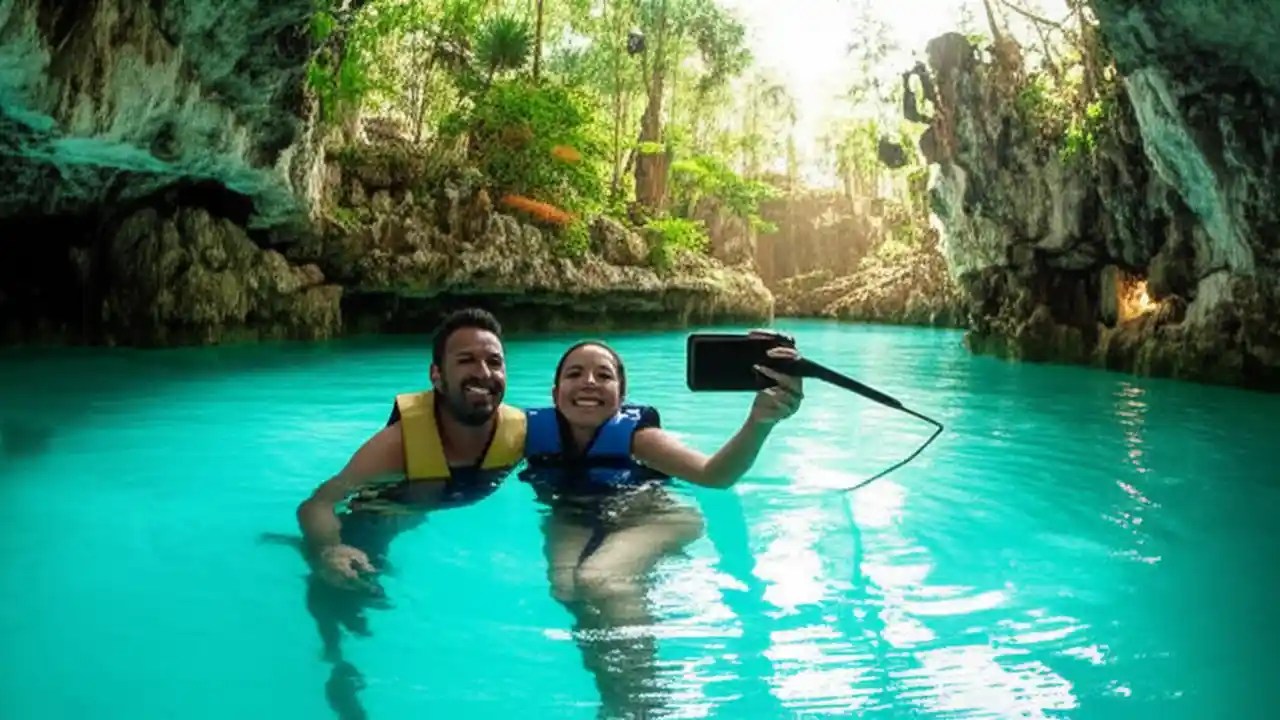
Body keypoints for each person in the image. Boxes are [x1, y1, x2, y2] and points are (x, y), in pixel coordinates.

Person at [518, 336, 804, 718]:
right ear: (556, 393)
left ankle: (645, 704)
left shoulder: (640, 437)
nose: (588, 381)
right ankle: (617, 695)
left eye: (603, 375)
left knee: (601, 577)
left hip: (652, 516)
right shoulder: (528, 434)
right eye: (575, 373)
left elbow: (714, 475)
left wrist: (760, 421)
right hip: (575, 515)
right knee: (567, 587)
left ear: (620, 396)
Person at [292, 307, 527, 720]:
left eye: (494, 361)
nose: (483, 372)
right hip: (383, 513)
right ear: (436, 376)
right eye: (466, 360)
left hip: (438, 508)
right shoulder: (396, 443)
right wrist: (330, 549)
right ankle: (341, 680)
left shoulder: (521, 433)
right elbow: (319, 502)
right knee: (339, 598)